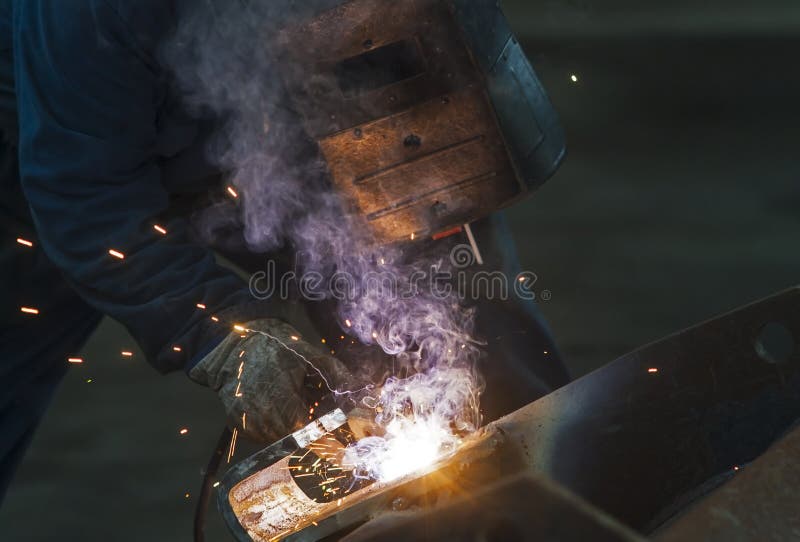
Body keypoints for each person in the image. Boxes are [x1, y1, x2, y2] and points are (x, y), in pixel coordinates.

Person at [0, 0, 569, 502]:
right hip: (47, 150)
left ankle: (555, 502)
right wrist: (219, 337)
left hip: (277, 133)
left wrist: (425, 204)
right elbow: (84, 196)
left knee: (469, 332)